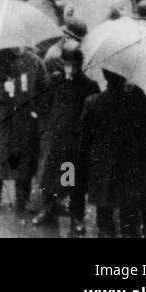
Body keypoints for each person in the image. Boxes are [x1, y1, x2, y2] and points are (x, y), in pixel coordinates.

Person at [32, 39, 95, 234]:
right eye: (67, 65)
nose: (70, 69)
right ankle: (48, 209)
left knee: (71, 180)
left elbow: (90, 115)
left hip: (74, 143)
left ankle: (76, 216)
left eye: (73, 65)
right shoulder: (55, 80)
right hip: (55, 139)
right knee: (50, 176)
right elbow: (44, 105)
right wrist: (46, 129)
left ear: (79, 65)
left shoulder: (88, 86)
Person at [79, 69, 146, 237]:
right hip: (129, 162)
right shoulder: (136, 102)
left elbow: (85, 136)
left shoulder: (93, 101)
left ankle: (106, 233)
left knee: (104, 207)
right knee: (129, 210)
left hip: (101, 162)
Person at [0, 46, 47, 213]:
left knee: (24, 160)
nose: (16, 48)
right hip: (1, 118)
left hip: (24, 119)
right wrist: (3, 88)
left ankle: (23, 198)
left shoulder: (35, 62)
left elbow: (44, 89)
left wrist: (36, 108)